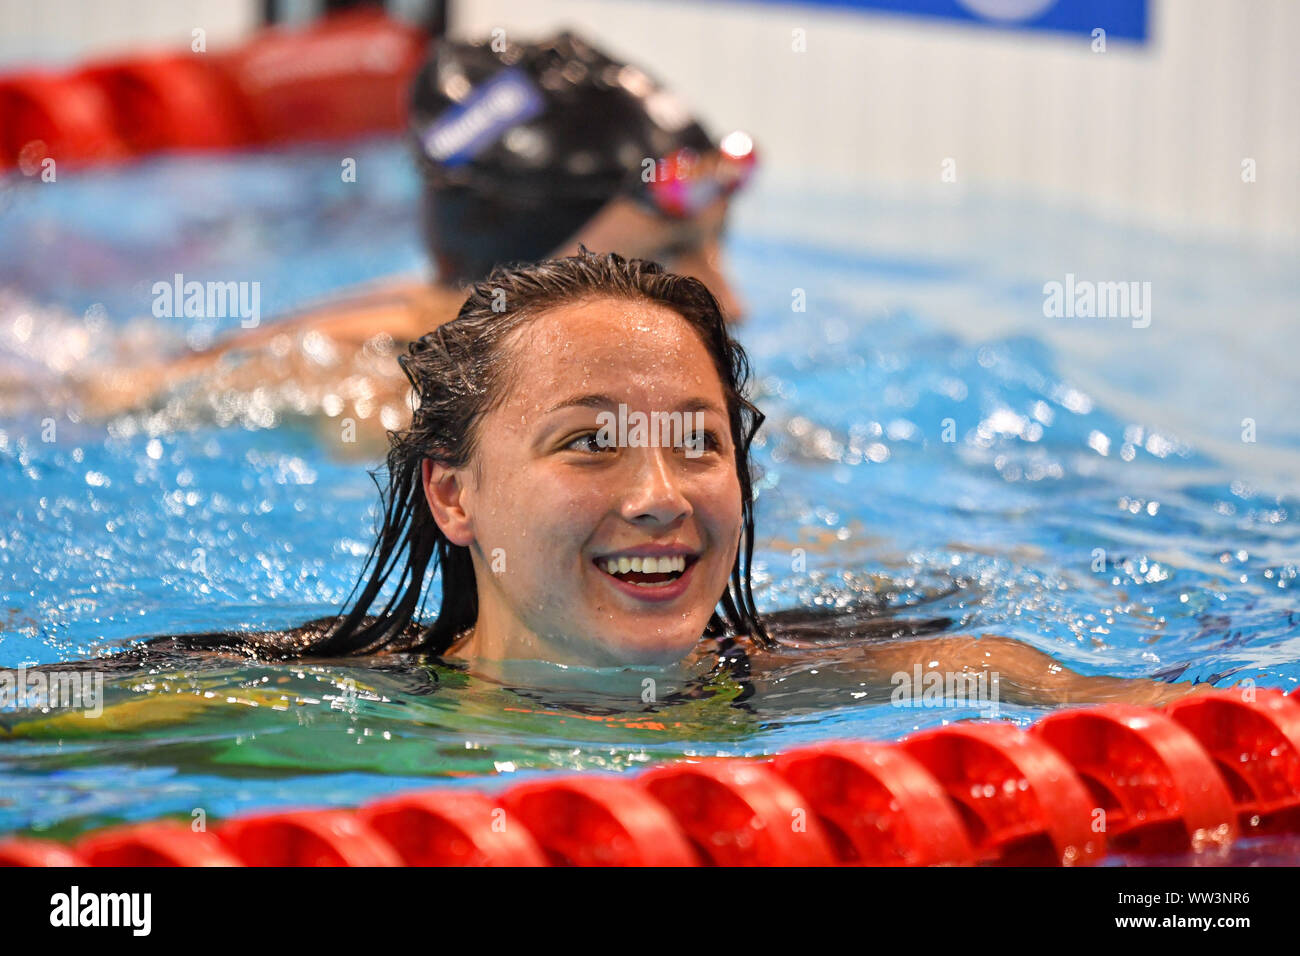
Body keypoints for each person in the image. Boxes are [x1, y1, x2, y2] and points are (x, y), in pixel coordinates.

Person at [134, 250, 1209, 709]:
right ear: (452, 495)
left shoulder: (823, 686)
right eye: (589, 443)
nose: (661, 494)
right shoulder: (292, 702)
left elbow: (1012, 672)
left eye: (698, 441)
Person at [78, 31, 756, 442]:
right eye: (666, 255)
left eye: (712, 246)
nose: (731, 302)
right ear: (523, 271)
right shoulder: (389, 387)